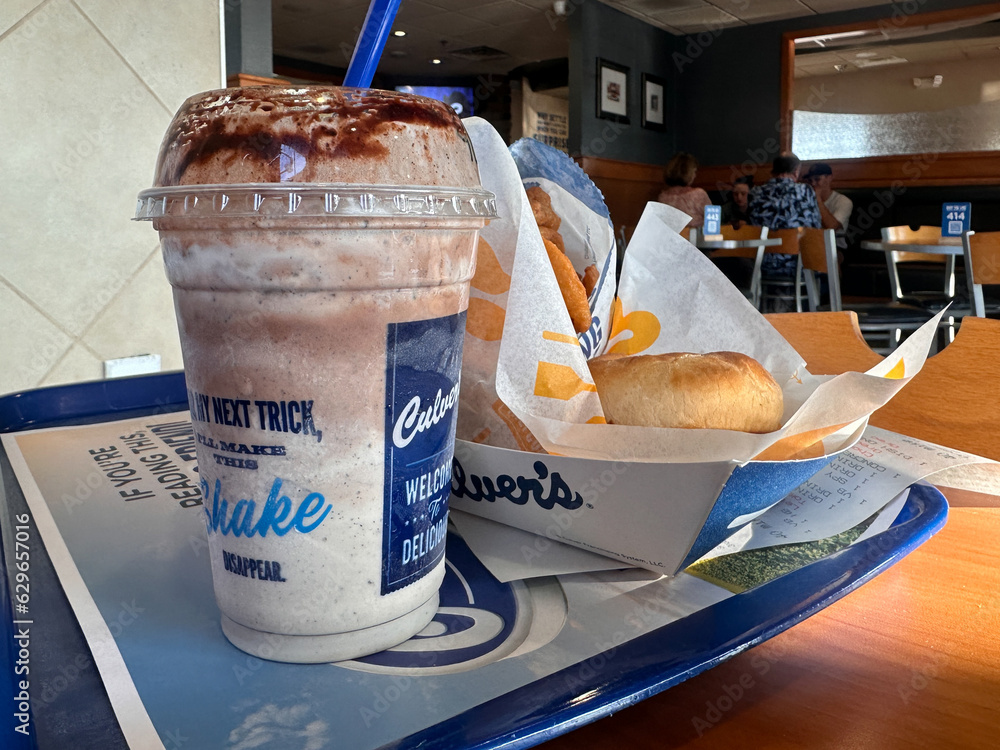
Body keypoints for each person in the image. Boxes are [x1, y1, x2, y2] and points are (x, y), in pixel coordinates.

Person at [748, 153, 821, 277]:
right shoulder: (805, 191)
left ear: (774, 170)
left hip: (761, 265)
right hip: (799, 265)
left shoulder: (755, 192)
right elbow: (815, 228)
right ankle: (813, 295)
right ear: (796, 171)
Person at [801, 162, 853, 250]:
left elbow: (831, 227)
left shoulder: (843, 201)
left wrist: (817, 199)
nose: (813, 184)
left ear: (829, 178)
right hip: (809, 244)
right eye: (810, 180)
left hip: (835, 246)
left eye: (817, 179)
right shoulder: (805, 201)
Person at [657, 152, 712, 229]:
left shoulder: (662, 197)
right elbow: (713, 222)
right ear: (688, 173)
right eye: (694, 171)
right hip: (695, 239)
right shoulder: (698, 194)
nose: (695, 175)